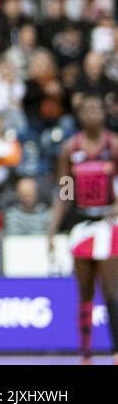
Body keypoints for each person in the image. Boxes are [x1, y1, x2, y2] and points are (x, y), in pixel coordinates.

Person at [46, 94, 118, 363]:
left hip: (108, 225)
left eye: (96, 108)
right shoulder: (70, 148)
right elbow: (64, 193)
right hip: (81, 226)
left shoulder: (113, 144)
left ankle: (115, 352)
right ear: (80, 114)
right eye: (87, 108)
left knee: (111, 289)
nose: (92, 112)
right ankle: (85, 355)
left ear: (103, 112)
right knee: (85, 291)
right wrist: (52, 230)